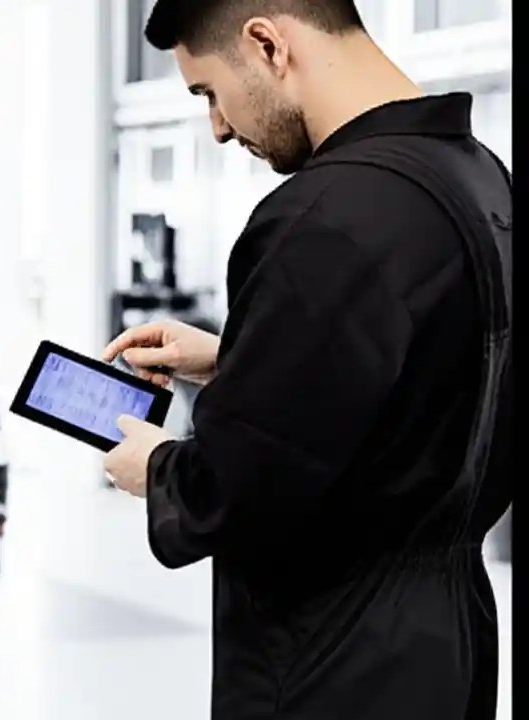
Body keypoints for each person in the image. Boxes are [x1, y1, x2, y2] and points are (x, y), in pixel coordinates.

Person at [97, 1, 513, 718]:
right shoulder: (478, 179)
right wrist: (243, 360)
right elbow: (429, 380)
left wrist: (157, 465)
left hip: (331, 656)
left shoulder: (322, 215)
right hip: (449, 640)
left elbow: (238, 487)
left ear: (266, 44)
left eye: (209, 94)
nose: (220, 127)